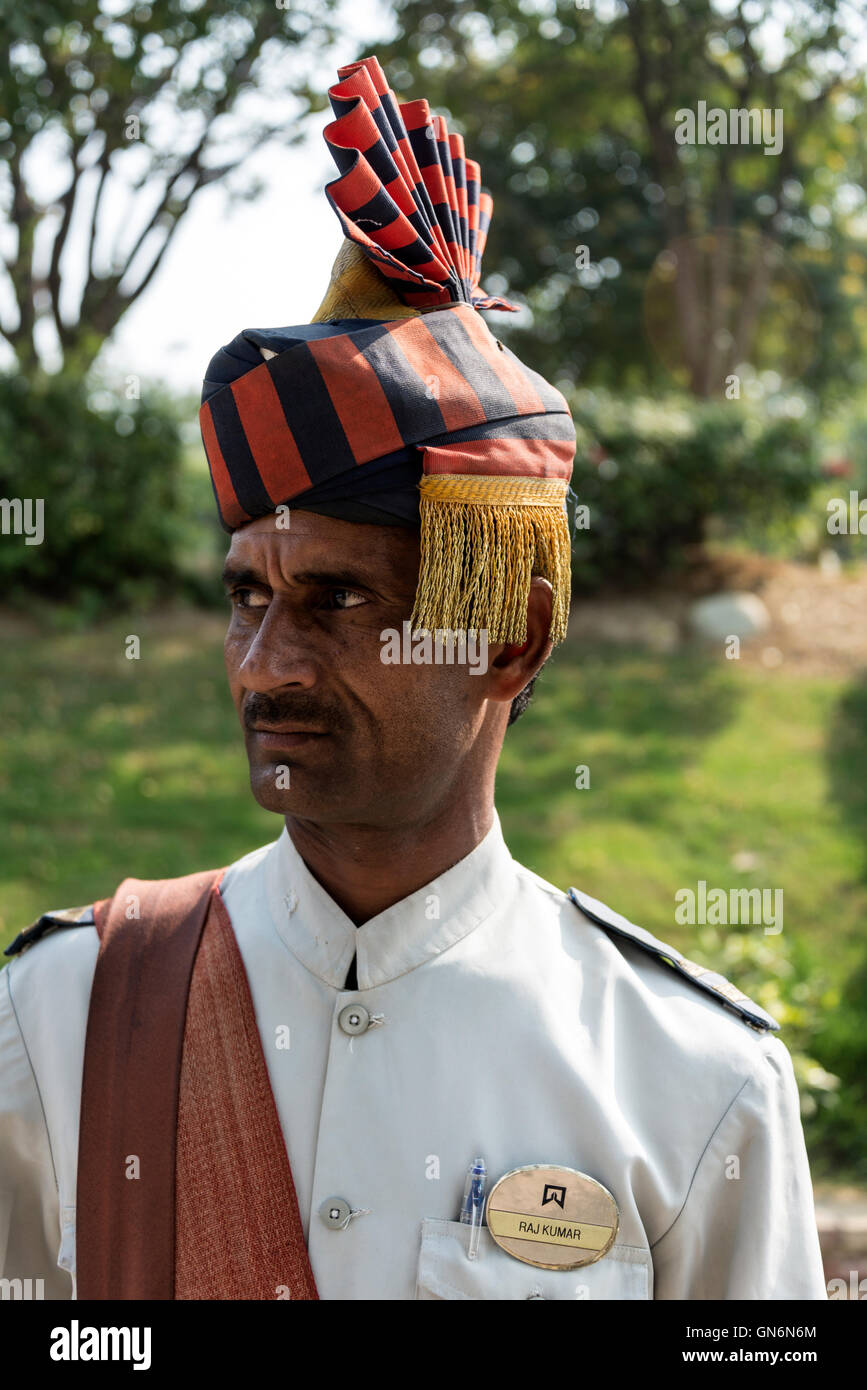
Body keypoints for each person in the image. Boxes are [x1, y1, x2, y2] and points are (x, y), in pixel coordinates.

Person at [0, 56, 826, 1302]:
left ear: (507, 635)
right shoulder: (57, 1020)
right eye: (246, 595)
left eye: (340, 600)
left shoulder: (694, 1080)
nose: (264, 665)